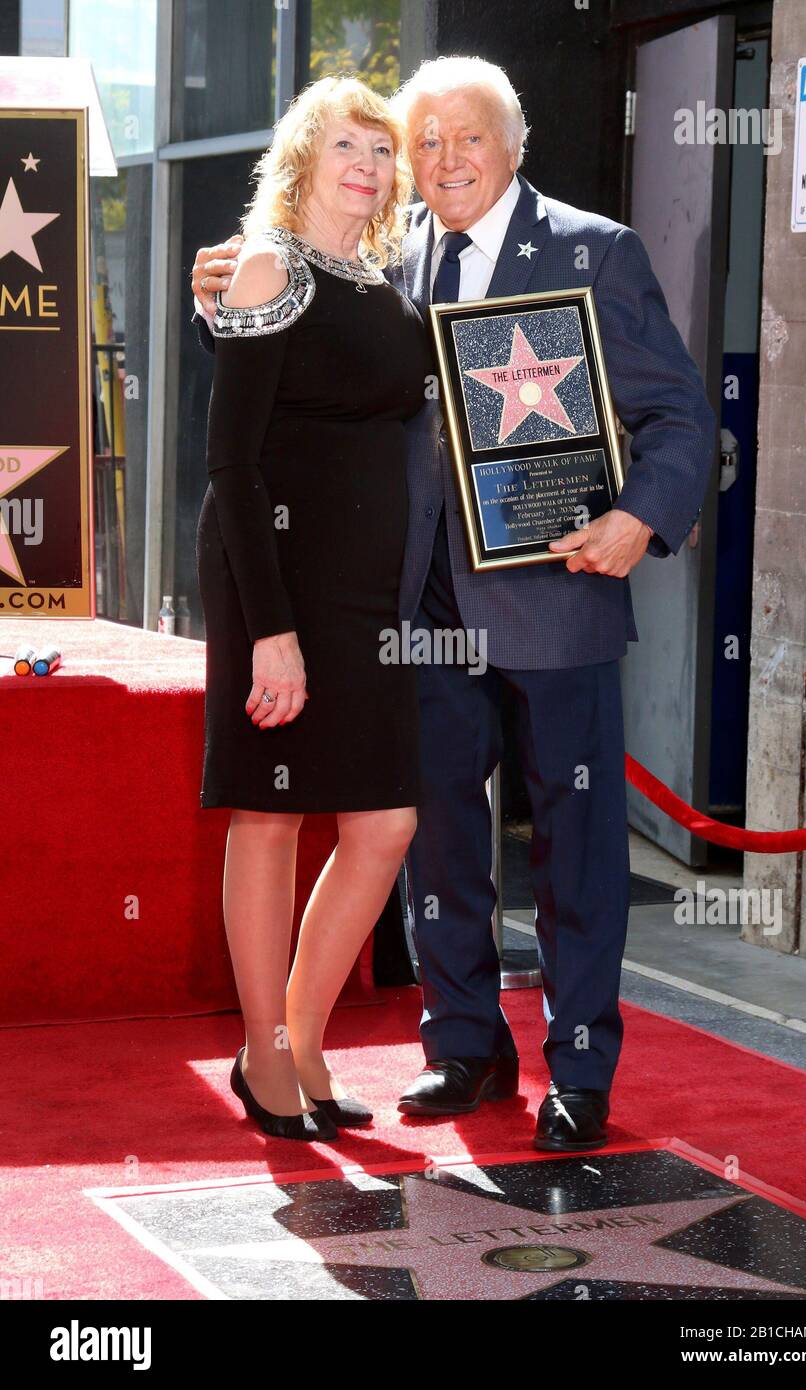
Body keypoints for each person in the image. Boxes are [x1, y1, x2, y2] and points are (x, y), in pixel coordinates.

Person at [191, 57, 717, 1153]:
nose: (436, 161)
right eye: (415, 142)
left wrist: (639, 518)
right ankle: (461, 1045)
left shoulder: (593, 250)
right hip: (414, 608)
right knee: (430, 838)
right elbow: (293, 357)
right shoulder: (395, 255)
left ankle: (577, 1064)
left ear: (513, 145)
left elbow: (675, 416)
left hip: (560, 593)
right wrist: (227, 292)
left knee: (574, 842)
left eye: (460, 139)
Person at [195, 75, 431, 1142]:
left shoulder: (379, 278)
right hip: (276, 582)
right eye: (347, 144)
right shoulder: (267, 265)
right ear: (302, 156)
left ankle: (296, 1031)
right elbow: (230, 463)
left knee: (384, 820)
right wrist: (271, 627)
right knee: (272, 810)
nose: (368, 167)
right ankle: (268, 1051)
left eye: (381, 152)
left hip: (366, 589)